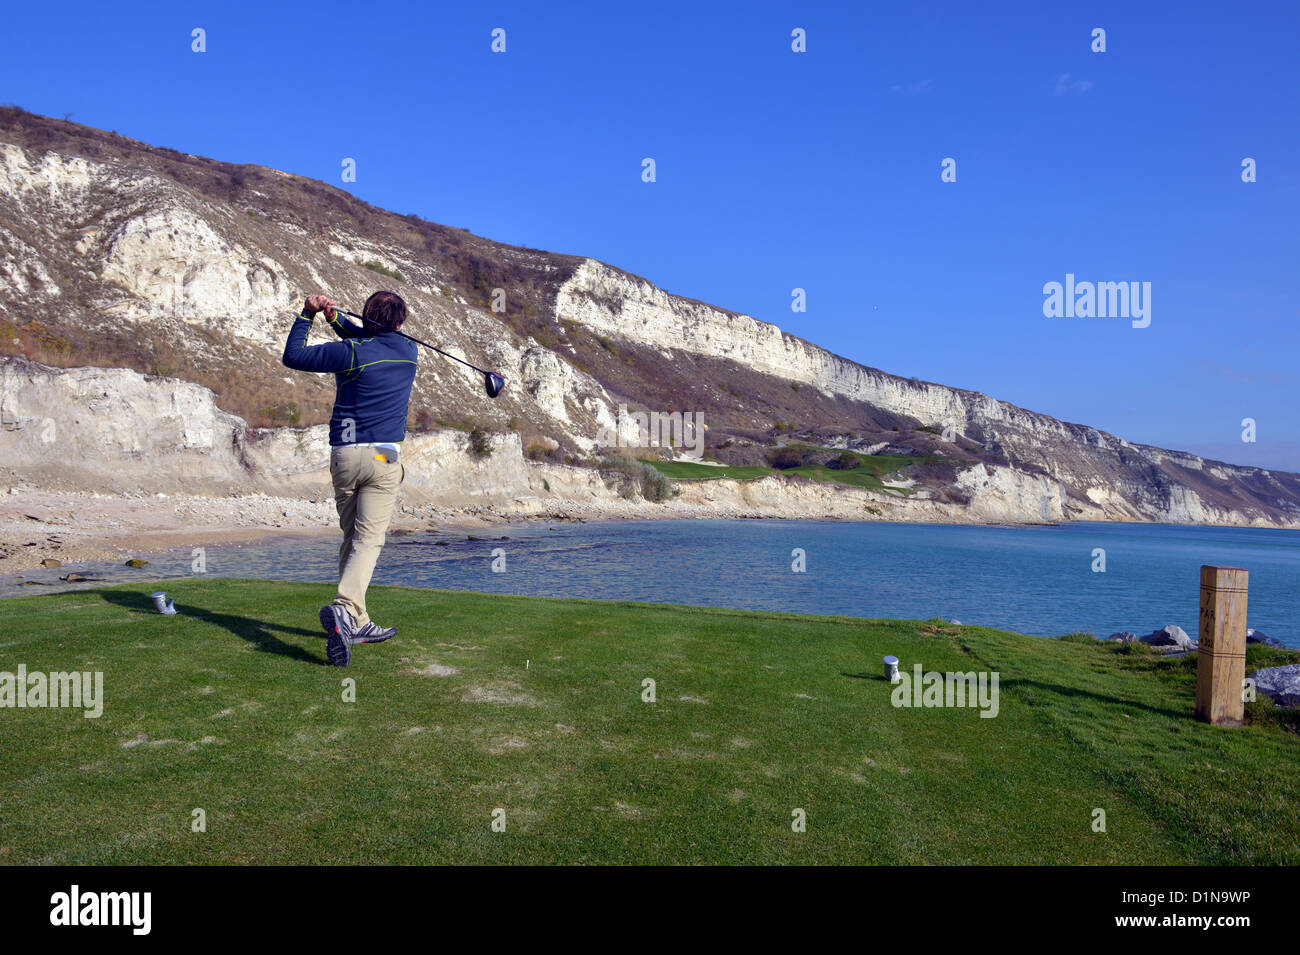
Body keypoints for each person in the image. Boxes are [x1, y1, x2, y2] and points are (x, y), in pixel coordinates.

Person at [282, 291, 418, 666]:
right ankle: (344, 609)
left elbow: (293, 356)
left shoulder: (350, 353)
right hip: (383, 456)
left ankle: (358, 620)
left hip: (345, 455)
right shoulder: (409, 352)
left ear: (367, 316)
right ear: (401, 322)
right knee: (369, 540)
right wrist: (336, 319)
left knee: (353, 538)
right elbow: (367, 336)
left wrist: (310, 315)